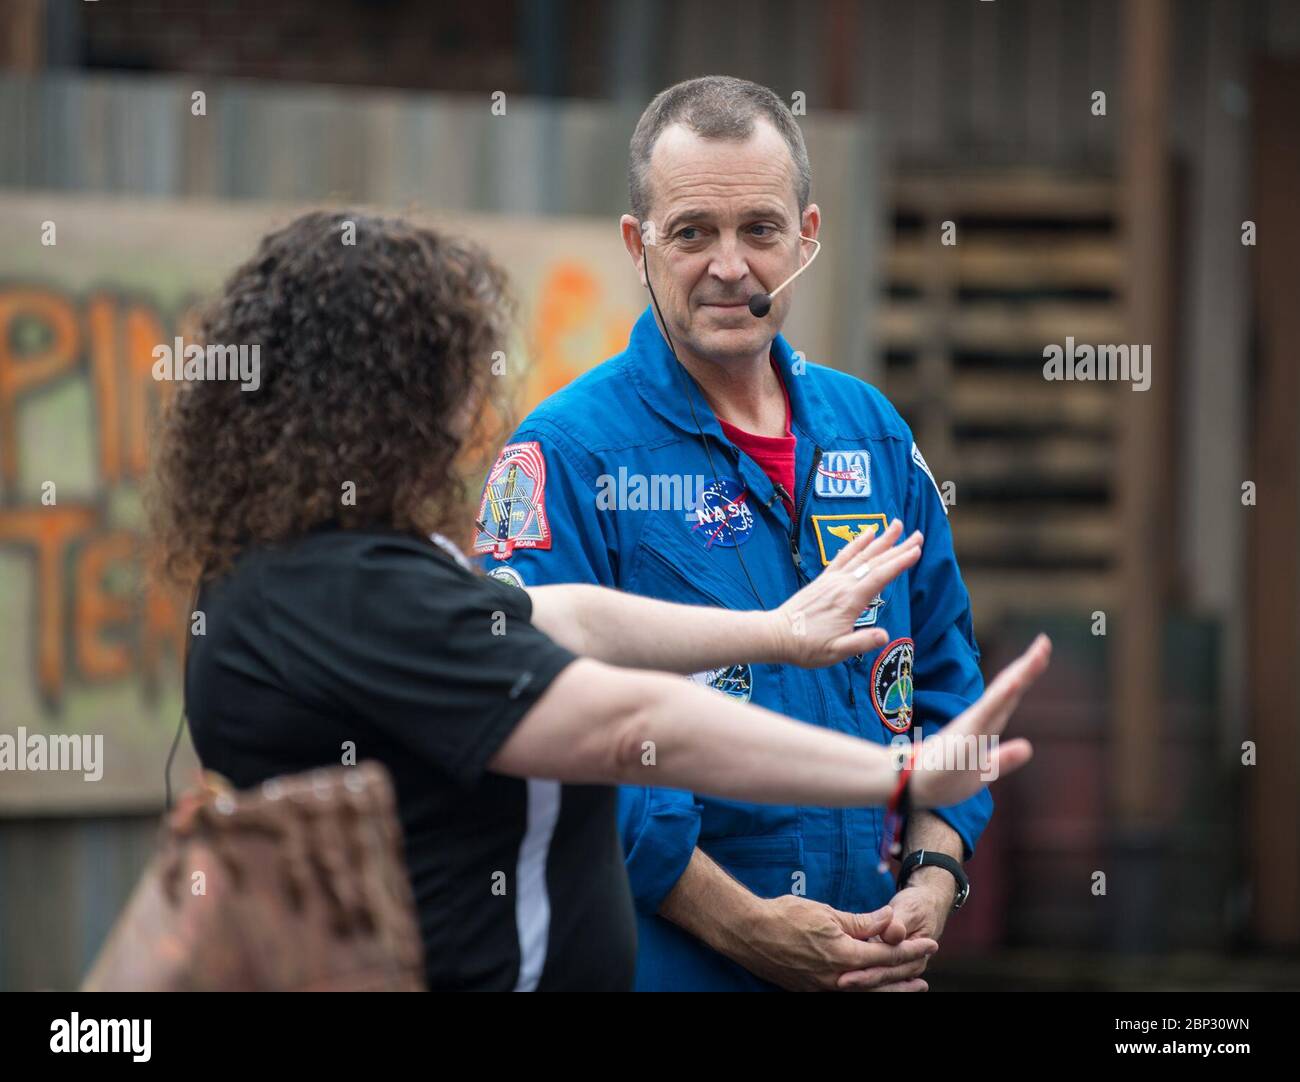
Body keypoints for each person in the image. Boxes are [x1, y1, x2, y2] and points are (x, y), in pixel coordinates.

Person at [149, 208, 1049, 992]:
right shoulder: (344, 596)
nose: (475, 404)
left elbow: (564, 617)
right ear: (385, 407)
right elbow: (622, 727)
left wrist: (774, 635)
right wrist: (895, 778)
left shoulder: (344, 570)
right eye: (456, 371)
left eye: (760, 230)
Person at [476, 75, 1001, 992]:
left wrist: (933, 876)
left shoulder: (871, 433)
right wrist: (749, 929)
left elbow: (950, 680)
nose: (729, 267)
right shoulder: (567, 457)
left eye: (759, 230)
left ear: (805, 236)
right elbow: (548, 732)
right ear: (639, 246)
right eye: (692, 234)